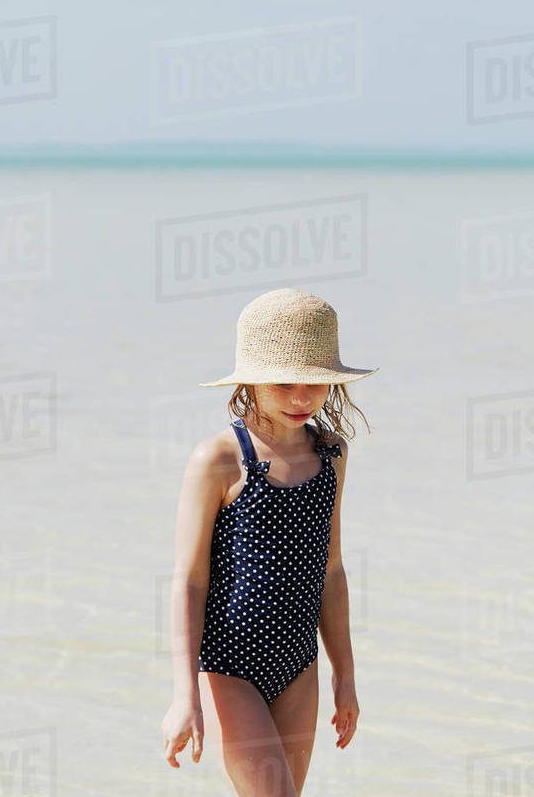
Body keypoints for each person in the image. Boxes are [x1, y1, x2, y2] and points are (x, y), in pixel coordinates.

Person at [160, 287, 378, 796]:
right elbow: (189, 581)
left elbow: (332, 570)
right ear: (252, 382)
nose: (302, 398)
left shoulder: (331, 454)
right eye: (284, 384)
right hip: (230, 663)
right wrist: (183, 695)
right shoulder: (219, 460)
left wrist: (344, 675)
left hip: (299, 664)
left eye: (316, 384)